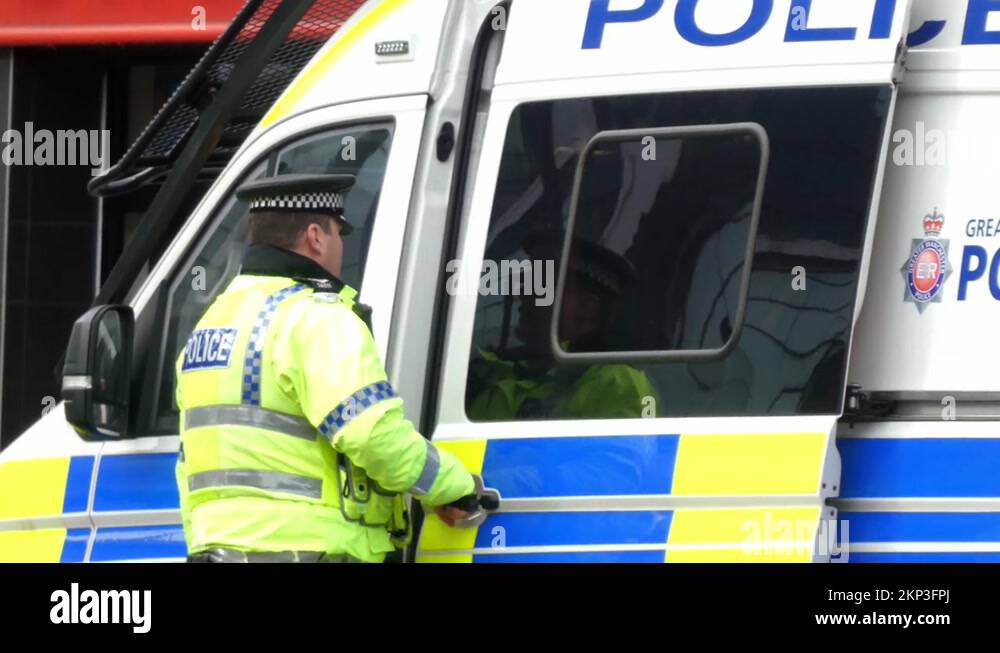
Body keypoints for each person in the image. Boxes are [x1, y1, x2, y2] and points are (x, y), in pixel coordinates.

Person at [174, 173, 477, 563]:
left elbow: (188, 466)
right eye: (338, 233)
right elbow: (371, 435)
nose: (340, 247)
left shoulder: (210, 326)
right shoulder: (315, 318)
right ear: (316, 237)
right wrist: (453, 488)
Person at [467, 229, 660, 420]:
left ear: (586, 308)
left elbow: (622, 451)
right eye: (527, 283)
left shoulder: (620, 385)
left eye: (541, 286)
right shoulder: (500, 365)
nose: (522, 295)